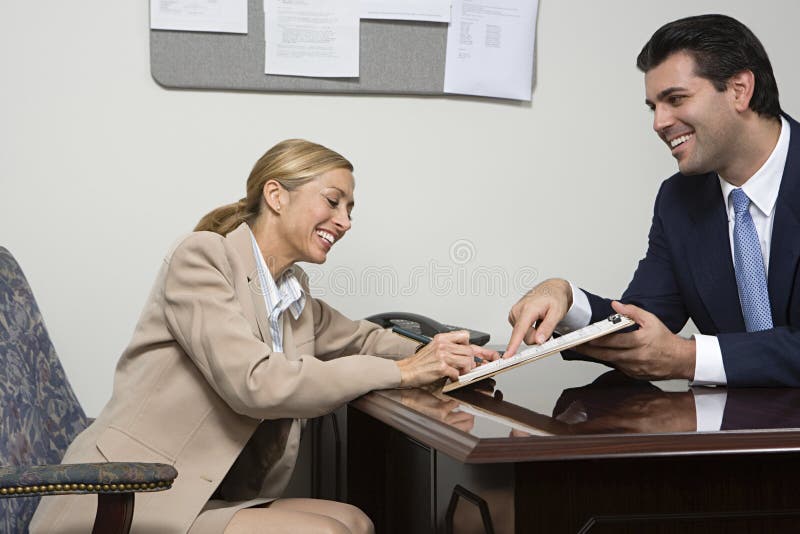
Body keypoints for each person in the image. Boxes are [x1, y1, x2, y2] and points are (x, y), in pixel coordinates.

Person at [31, 139, 499, 534]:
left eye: (350, 209)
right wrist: (401, 372)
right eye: (334, 201)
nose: (346, 221)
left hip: (200, 491)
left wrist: (445, 354)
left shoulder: (292, 295)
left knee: (356, 522)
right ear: (276, 195)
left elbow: (360, 339)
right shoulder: (201, 260)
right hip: (127, 496)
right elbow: (254, 382)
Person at [506, 14, 800, 387]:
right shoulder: (679, 199)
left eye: (675, 99)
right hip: (732, 432)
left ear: (740, 89)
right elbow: (643, 322)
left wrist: (688, 359)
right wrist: (567, 300)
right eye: (653, 107)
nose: (659, 123)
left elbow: (676, 355)